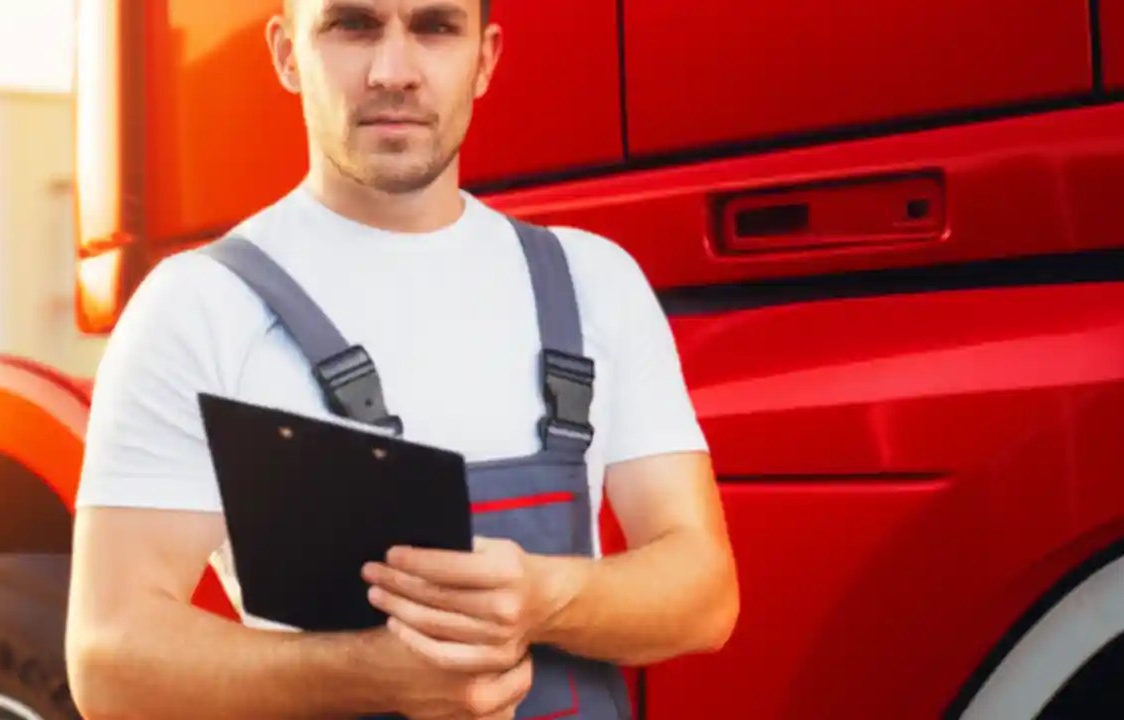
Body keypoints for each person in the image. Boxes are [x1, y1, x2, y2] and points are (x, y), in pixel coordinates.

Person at [64, 0, 739, 717]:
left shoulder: (592, 282)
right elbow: (110, 657)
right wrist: (373, 674)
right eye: (352, 26)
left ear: (485, 59)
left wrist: (542, 599)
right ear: (286, 53)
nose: (394, 73)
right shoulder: (198, 306)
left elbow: (704, 595)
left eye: (435, 27)